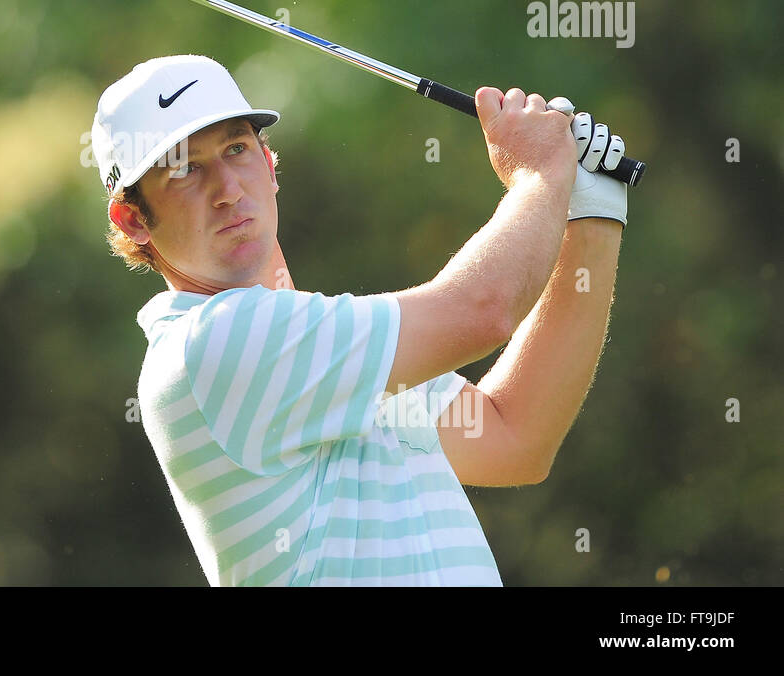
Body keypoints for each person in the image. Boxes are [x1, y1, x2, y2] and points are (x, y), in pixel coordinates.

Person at [91, 53, 629, 585]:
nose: (227, 190)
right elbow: (482, 309)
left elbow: (516, 437)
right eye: (184, 170)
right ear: (133, 218)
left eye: (236, 149)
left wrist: (592, 211)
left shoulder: (334, 350)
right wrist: (541, 176)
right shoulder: (211, 343)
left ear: (270, 163)